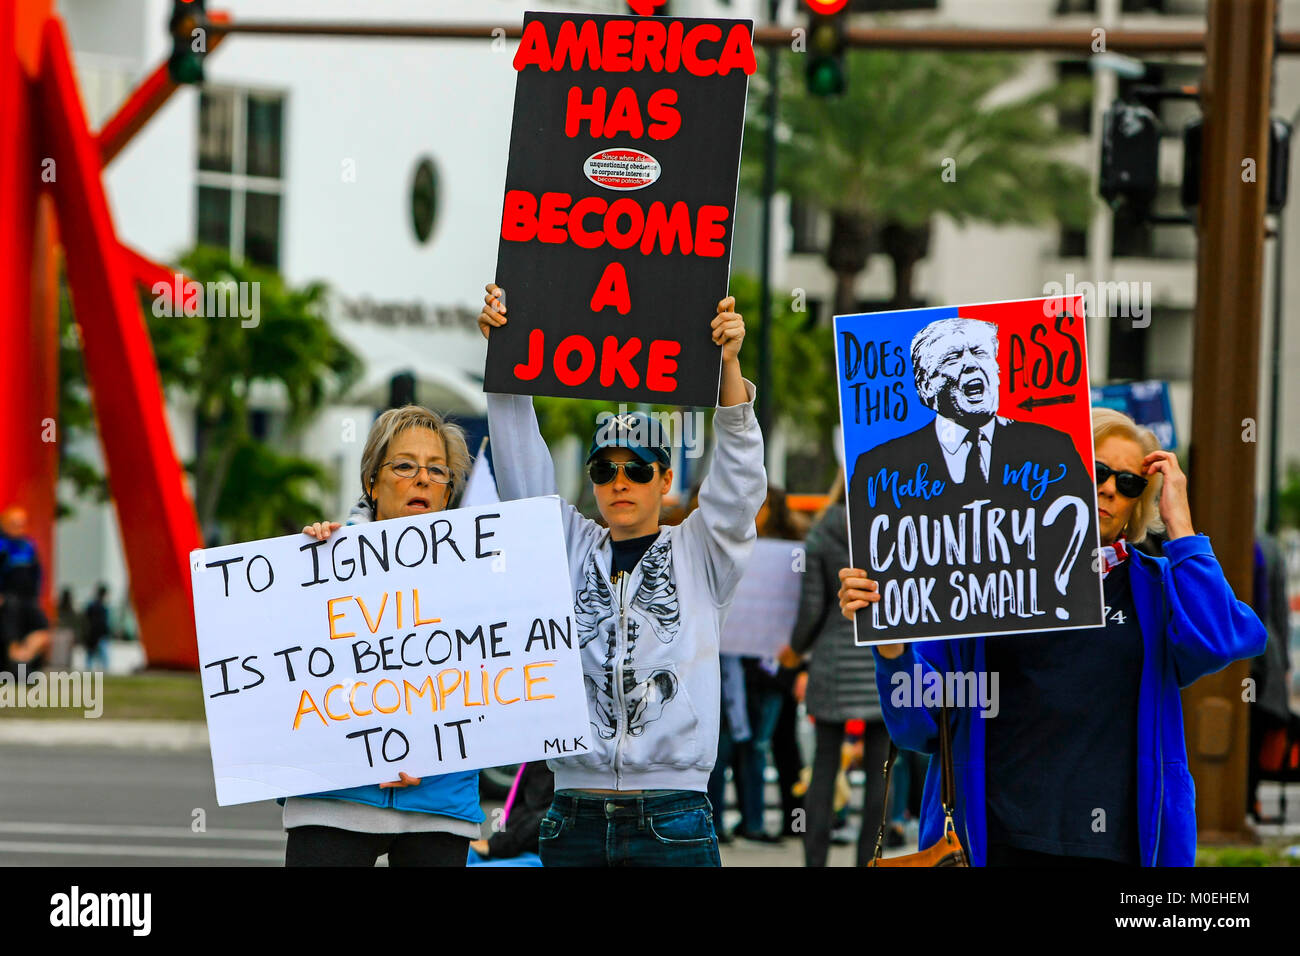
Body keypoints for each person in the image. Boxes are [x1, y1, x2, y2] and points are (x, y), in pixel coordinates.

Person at [838, 408, 1267, 866]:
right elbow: (916, 727)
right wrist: (891, 643)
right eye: (1096, 470)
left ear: (1138, 505)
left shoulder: (1157, 587)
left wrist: (1181, 525)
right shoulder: (977, 579)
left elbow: (1221, 639)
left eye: (1129, 484)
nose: (1108, 489)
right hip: (993, 843)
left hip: (1119, 848)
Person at [480, 282, 766, 867]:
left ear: (664, 480)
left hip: (672, 816)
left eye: (637, 469)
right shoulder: (566, 545)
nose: (620, 481)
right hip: (572, 814)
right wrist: (505, 356)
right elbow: (520, 470)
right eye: (605, 469)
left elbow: (738, 486)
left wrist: (729, 370)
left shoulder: (699, 554)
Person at [292, 405, 483, 867]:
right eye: (404, 466)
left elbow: (492, 687)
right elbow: (296, 673)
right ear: (372, 484)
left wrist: (427, 751)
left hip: (439, 806)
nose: (422, 479)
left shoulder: (484, 576)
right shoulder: (321, 561)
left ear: (448, 492)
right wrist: (302, 566)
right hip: (334, 797)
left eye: (436, 470)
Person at [847, 317, 1096, 627]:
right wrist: (863, 598)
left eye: (980, 353)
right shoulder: (879, 466)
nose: (971, 366)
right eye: (952, 358)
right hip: (935, 665)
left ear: (997, 371)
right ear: (926, 385)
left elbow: (1083, 559)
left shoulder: (1052, 448)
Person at [785, 471, 890, 866]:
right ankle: (871, 860)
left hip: (833, 661)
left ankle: (816, 860)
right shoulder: (898, 521)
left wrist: (795, 651)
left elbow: (811, 607)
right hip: (885, 656)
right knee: (882, 770)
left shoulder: (824, 528)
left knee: (825, 766)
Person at [468, 761, 554, 866]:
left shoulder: (552, 761)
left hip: (536, 854)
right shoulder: (538, 758)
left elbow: (545, 814)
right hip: (513, 846)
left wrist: (494, 846)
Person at [0, 506, 52, 674]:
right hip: (8, 599)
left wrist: (37, 594)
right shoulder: (2, 545)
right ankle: (16, 668)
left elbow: (37, 573)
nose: (19, 527)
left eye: (22, 523)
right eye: (14, 523)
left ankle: (22, 661)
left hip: (28, 599)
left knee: (41, 630)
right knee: (10, 636)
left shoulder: (28, 546)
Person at [82, 585, 112, 673]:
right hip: (99, 634)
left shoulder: (92, 605)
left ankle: (90, 672)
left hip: (93, 634)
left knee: (91, 656)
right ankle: (105, 672)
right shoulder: (102, 607)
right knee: (103, 657)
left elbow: (86, 620)